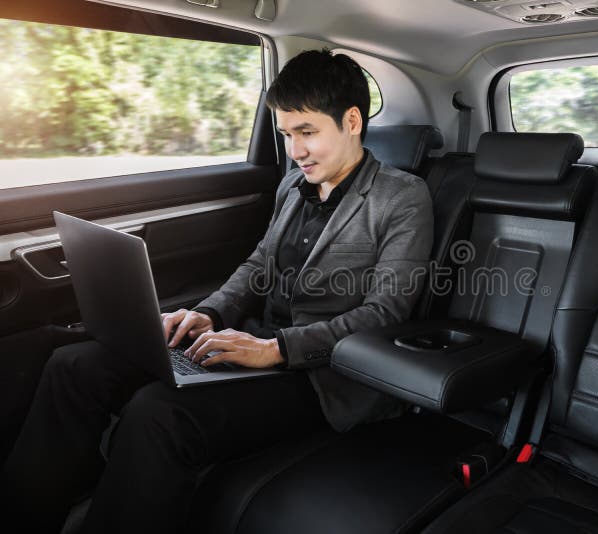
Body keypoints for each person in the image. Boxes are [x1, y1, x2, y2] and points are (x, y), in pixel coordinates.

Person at [0, 49, 434, 534]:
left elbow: (386, 312)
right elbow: (257, 266)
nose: (296, 150)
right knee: (73, 365)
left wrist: (276, 350)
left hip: (322, 377)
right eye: (287, 134)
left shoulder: (403, 197)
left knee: (157, 414)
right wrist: (208, 313)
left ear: (351, 121)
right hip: (252, 341)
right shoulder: (292, 187)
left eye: (307, 132)